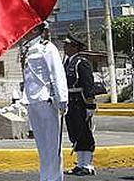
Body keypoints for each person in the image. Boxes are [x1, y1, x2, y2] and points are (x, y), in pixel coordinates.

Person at [23, 21, 69, 181]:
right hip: (32, 101)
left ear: (36, 28)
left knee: (52, 144)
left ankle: (55, 178)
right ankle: (45, 176)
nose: (25, 30)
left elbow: (57, 74)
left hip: (46, 100)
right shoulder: (28, 49)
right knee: (42, 145)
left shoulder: (47, 48)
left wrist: (62, 99)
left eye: (28, 27)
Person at [63, 32, 97, 176]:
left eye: (67, 44)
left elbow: (88, 84)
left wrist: (90, 105)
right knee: (75, 132)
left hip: (80, 101)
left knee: (84, 132)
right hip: (70, 101)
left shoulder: (81, 62)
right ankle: (80, 164)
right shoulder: (67, 62)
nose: (64, 47)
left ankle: (88, 165)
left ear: (74, 46)